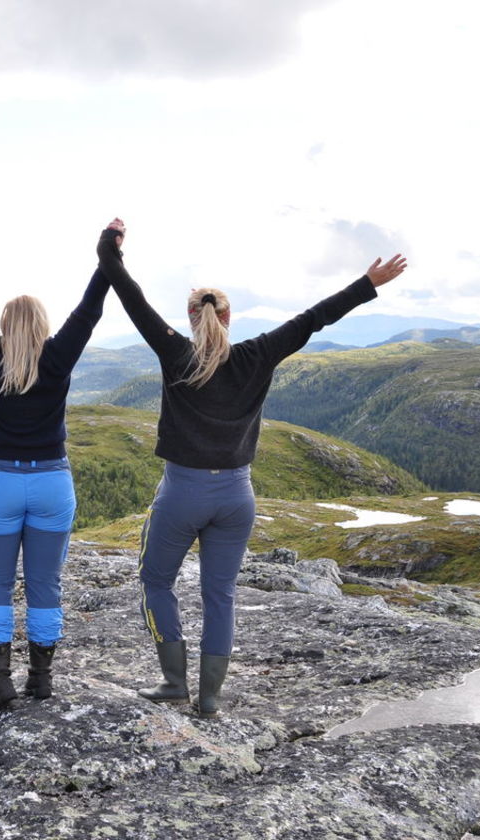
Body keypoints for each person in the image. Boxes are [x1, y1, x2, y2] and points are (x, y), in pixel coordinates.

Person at [95, 218, 406, 718]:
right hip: (238, 497)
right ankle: (211, 697)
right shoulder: (257, 355)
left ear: (192, 317)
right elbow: (313, 319)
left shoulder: (176, 352)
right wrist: (368, 284)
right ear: (229, 317)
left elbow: (123, 286)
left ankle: (175, 682)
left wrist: (111, 241)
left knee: (157, 581)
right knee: (220, 593)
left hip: (182, 493)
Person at [0, 209, 110, 708]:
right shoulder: (58, 357)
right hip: (53, 483)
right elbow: (90, 310)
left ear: (6, 326)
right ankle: (42, 679)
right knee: (45, 583)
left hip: (0, 485)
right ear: (44, 326)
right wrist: (109, 255)